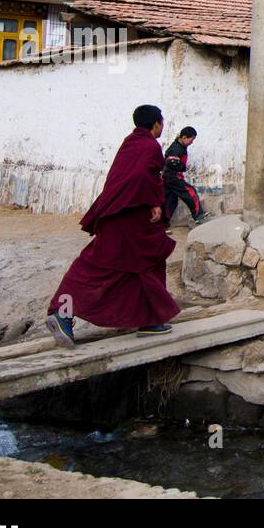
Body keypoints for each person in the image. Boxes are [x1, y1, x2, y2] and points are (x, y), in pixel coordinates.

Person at [45, 105, 181, 347]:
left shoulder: (130, 142)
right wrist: (154, 202)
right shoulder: (150, 146)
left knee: (146, 264)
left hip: (124, 214)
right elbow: (141, 177)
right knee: (97, 265)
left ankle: (150, 320)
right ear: (156, 124)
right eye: (162, 122)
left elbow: (131, 177)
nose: (163, 126)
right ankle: (62, 311)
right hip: (128, 218)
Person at [162, 126, 207, 226]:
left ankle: (162, 224)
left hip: (167, 177)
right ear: (184, 137)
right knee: (190, 191)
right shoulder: (177, 148)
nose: (192, 142)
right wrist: (183, 167)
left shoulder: (178, 146)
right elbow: (171, 162)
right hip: (173, 177)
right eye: (191, 140)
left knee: (170, 201)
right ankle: (198, 216)